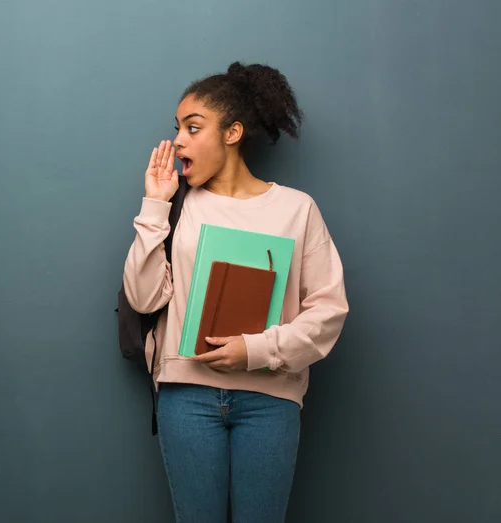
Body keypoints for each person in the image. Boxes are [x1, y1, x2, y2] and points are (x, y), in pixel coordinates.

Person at [122, 62, 349, 523]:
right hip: (186, 397)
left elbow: (328, 310)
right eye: (177, 128)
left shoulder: (296, 209)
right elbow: (145, 299)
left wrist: (256, 348)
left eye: (193, 127)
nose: (178, 141)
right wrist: (155, 204)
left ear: (233, 132)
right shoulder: (180, 205)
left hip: (269, 399)